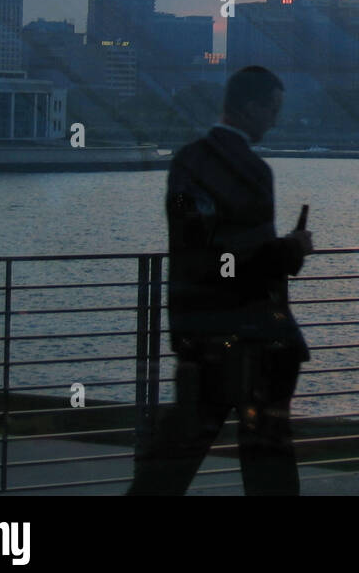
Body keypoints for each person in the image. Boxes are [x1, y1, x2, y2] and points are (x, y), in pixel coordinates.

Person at [127, 66, 313, 496]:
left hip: (197, 335)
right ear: (250, 108)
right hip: (250, 341)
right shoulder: (252, 169)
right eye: (271, 109)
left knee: (173, 458)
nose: (274, 120)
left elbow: (206, 252)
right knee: (268, 459)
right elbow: (239, 263)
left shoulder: (185, 162)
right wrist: (292, 248)